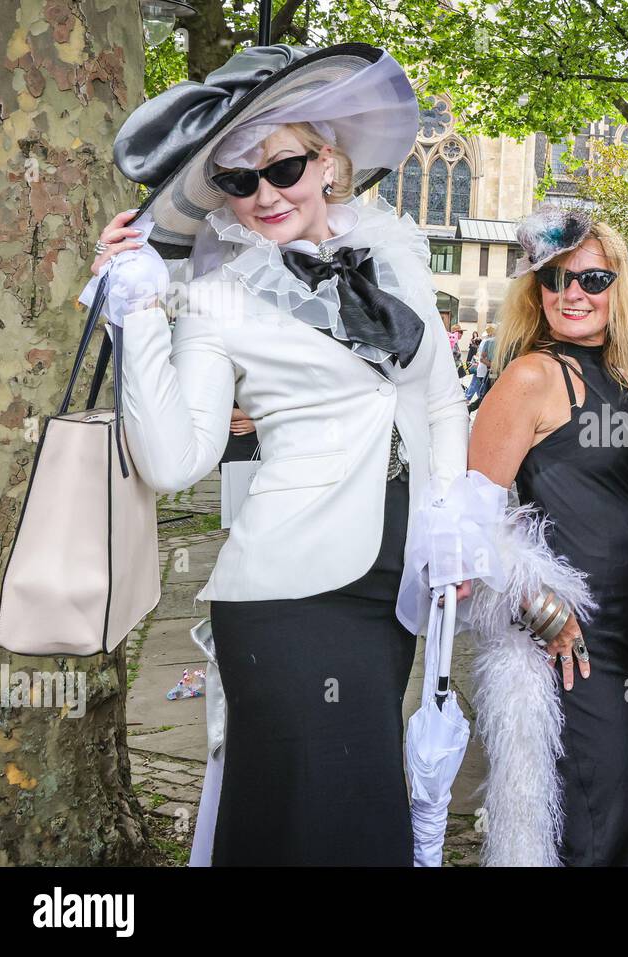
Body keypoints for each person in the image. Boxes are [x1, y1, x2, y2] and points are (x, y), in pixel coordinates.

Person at [90, 44, 469, 865]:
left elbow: (438, 400)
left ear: (327, 160)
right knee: (338, 821)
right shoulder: (218, 299)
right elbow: (174, 458)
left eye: (284, 166)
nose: (265, 195)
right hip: (289, 597)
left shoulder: (395, 253)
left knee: (345, 815)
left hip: (393, 590)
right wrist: (140, 308)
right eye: (238, 180)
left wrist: (455, 531)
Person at [467, 206, 628, 865]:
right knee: (601, 827)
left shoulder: (621, 379)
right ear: (536, 291)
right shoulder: (531, 376)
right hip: (573, 645)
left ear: (617, 285)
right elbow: (467, 522)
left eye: (592, 280)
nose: (573, 293)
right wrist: (540, 607)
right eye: (555, 278)